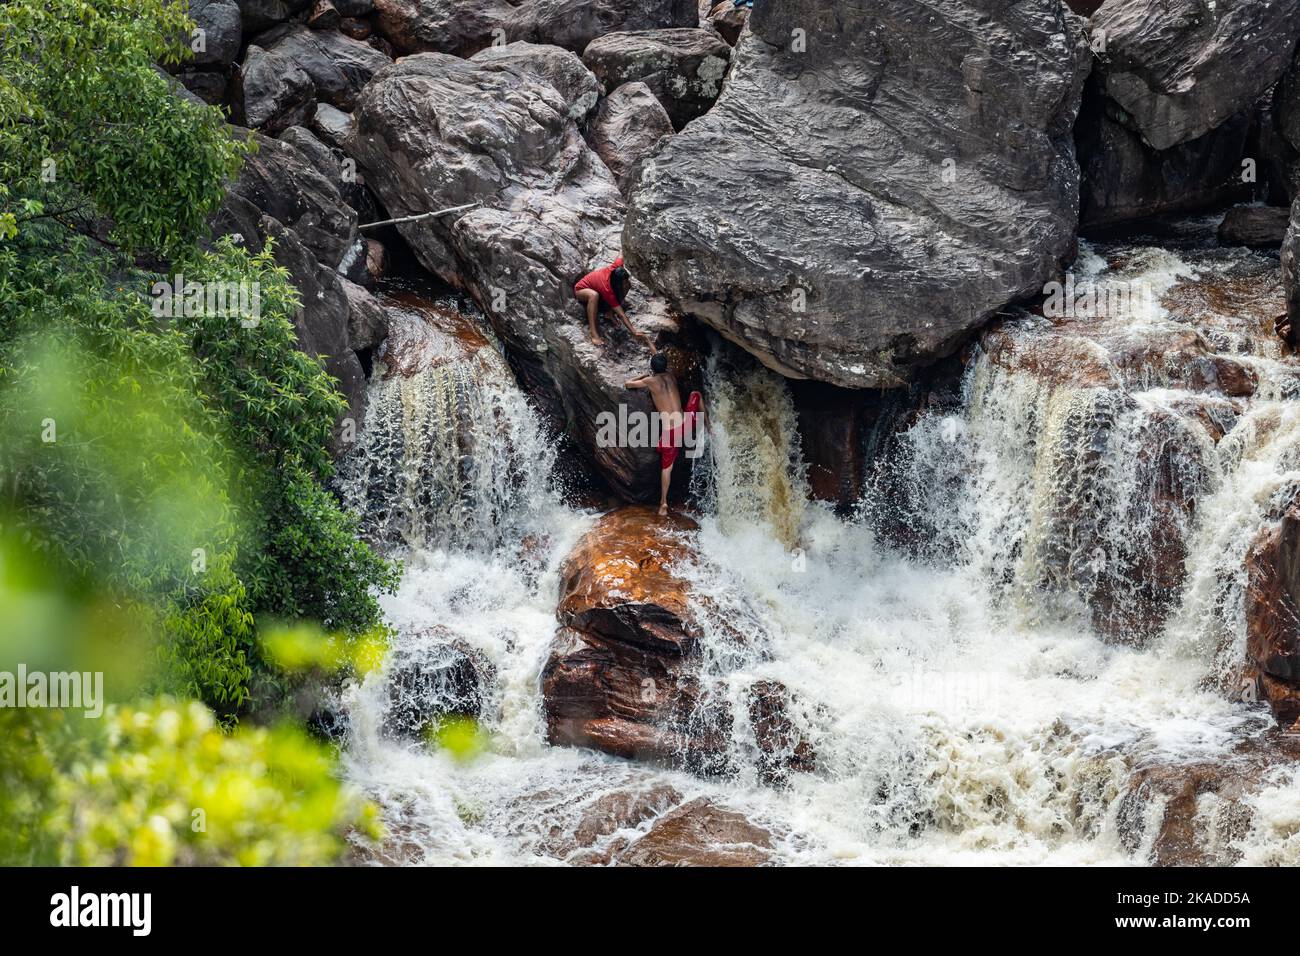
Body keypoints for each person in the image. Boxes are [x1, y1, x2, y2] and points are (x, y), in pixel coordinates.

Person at [626, 353, 706, 516]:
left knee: (666, 468)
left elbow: (628, 384)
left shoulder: (650, 381)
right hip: (687, 424)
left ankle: (663, 503)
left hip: (673, 433)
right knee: (696, 394)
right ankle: (707, 424)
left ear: (652, 368)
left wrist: (645, 374)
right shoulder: (671, 376)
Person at [574, 256, 653, 349]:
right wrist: (633, 331)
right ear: (616, 283)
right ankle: (594, 333)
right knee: (594, 295)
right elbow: (621, 315)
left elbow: (621, 255)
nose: (626, 283)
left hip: (600, 292)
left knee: (628, 286)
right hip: (581, 290)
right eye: (624, 282)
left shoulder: (617, 267)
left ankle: (609, 313)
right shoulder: (607, 289)